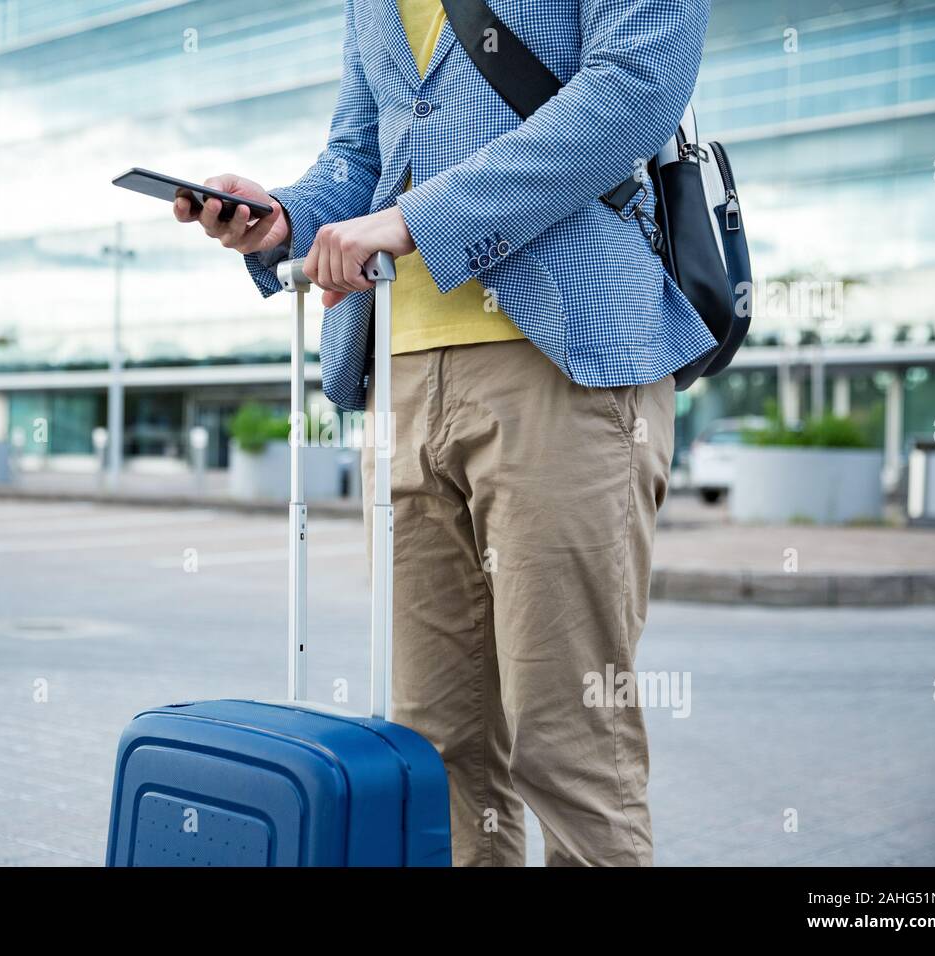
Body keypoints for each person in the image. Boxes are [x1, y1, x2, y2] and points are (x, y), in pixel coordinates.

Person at [174, 0, 714, 866]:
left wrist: (419, 219)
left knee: (569, 742)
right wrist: (283, 217)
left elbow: (634, 89)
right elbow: (364, 157)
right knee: (435, 744)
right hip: (402, 373)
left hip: (563, 361)